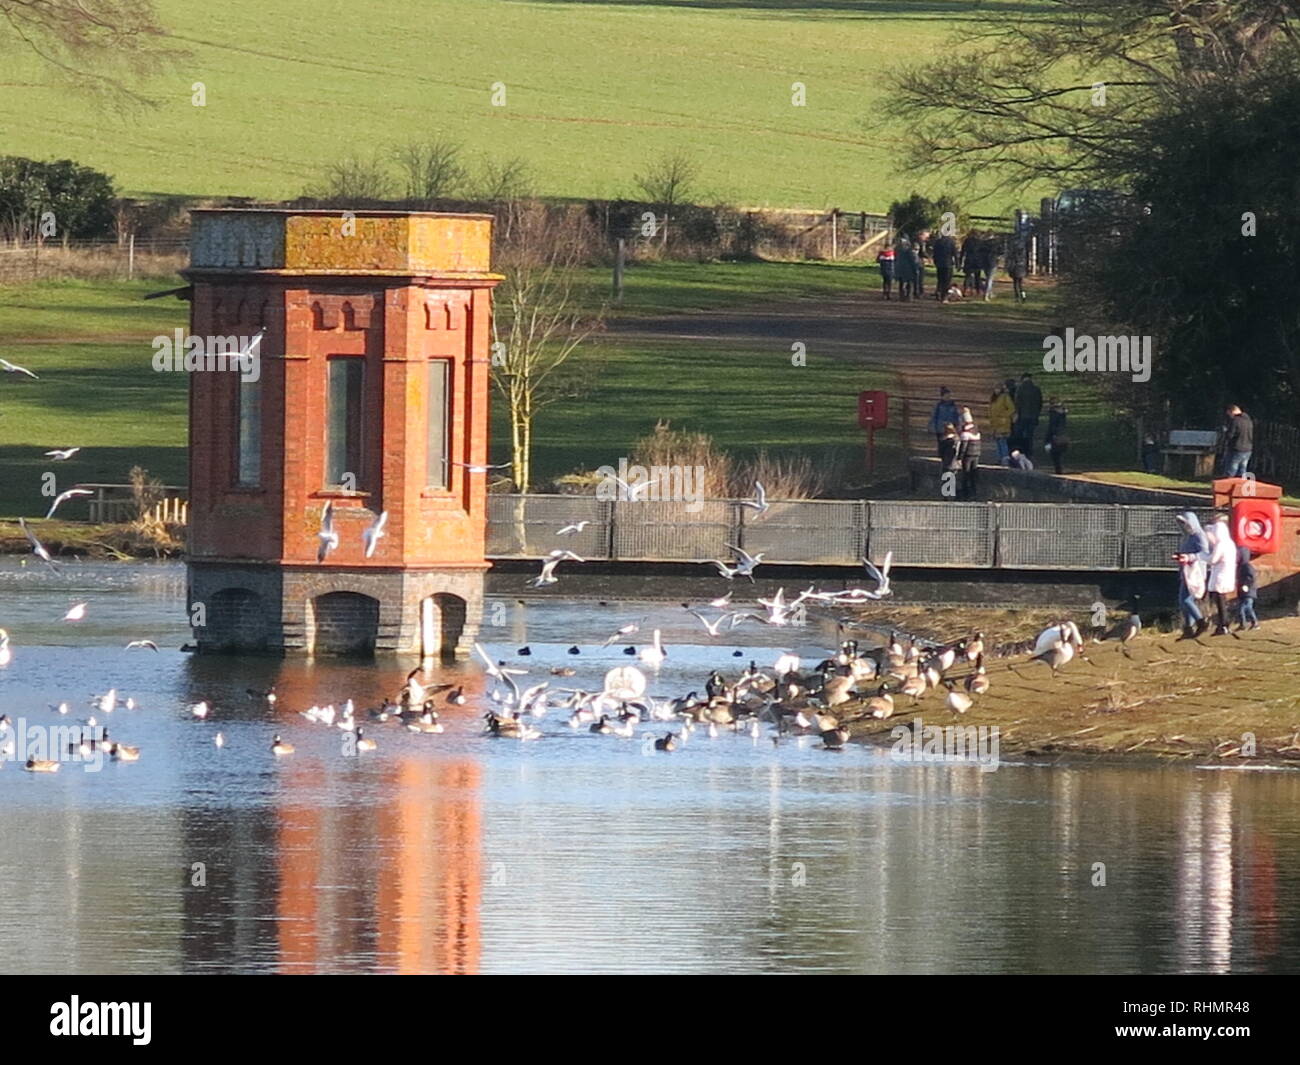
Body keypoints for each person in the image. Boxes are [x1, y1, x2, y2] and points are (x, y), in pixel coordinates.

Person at [1173, 511, 1209, 639]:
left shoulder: (1199, 536)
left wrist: (1189, 557)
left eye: (1185, 523)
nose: (1184, 526)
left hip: (1195, 573)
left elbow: (1205, 554)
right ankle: (1188, 628)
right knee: (1183, 601)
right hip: (1186, 571)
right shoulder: (1189, 537)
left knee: (1186, 600)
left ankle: (1200, 622)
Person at [1205, 516, 1238, 636]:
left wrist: (1201, 556)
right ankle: (1224, 624)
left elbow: (1213, 560)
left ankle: (1223, 625)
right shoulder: (1230, 544)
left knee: (1220, 603)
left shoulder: (1221, 545)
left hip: (1220, 577)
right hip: (1226, 575)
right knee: (1222, 601)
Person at [1013, 372, 1042, 458]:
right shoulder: (1036, 389)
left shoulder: (1020, 389)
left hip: (1022, 415)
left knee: (1020, 433)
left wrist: (1017, 413)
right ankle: (1029, 451)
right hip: (1033, 416)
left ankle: (1022, 450)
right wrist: (1037, 414)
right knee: (1030, 434)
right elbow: (1039, 403)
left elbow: (1017, 403)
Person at [1222, 405, 1253, 478]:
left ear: (1232, 411)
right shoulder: (1249, 421)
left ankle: (1227, 486)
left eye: (1229, 414)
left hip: (1236, 448)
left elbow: (1230, 435)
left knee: (1231, 469)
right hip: (1248, 449)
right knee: (1242, 470)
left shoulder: (1235, 421)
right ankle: (1241, 487)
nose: (1229, 416)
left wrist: (1225, 431)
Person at [928, 387, 960, 457]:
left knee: (950, 442)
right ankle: (942, 455)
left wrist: (956, 425)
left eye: (949, 396)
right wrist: (932, 426)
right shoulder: (939, 405)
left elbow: (956, 415)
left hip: (950, 427)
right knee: (941, 442)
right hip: (941, 428)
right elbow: (934, 416)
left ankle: (949, 455)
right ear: (942, 396)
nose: (948, 397)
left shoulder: (952, 405)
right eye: (946, 396)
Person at [1235, 540, 1259, 630]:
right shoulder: (1240, 567)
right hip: (1243, 592)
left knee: (1245, 608)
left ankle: (1250, 623)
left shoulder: (1247, 566)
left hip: (1248, 592)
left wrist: (1246, 586)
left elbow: (1251, 578)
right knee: (1246, 608)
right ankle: (1246, 624)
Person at [988, 386, 1016, 464]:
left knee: (1002, 441)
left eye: (998, 388)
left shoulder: (1005, 397)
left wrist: (1003, 415)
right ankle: (1000, 458)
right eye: (995, 388)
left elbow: (1012, 408)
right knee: (997, 442)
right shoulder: (993, 398)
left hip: (1003, 423)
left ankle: (1005, 458)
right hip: (995, 424)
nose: (996, 390)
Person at [957, 414, 982, 499]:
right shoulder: (976, 431)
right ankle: (974, 491)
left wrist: (959, 458)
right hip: (976, 454)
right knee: (973, 473)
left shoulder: (965, 433)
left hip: (968, 456)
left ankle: (965, 492)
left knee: (965, 474)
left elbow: (963, 447)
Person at [931, 230, 957, 303]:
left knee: (940, 279)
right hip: (948, 264)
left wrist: (935, 261)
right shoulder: (951, 242)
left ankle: (938, 292)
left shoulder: (938, 242)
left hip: (939, 263)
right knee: (947, 281)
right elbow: (954, 253)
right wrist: (957, 263)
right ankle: (944, 296)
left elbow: (934, 253)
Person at [1044, 397, 1069, 474]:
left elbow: (1052, 426)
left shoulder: (1053, 414)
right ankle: (1059, 468)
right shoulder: (1062, 414)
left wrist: (1048, 438)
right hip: (1062, 435)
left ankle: (1058, 469)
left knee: (1055, 454)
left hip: (1054, 436)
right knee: (1059, 453)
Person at [893, 237, 916, 302]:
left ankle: (902, 296)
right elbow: (912, 260)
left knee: (901, 283)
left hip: (899, 268)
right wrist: (915, 268)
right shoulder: (909, 250)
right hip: (908, 269)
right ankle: (909, 297)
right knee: (909, 283)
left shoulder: (897, 249)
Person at [909, 233, 926, 299]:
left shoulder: (911, 242)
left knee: (915, 278)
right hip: (919, 262)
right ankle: (919, 292)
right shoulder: (921, 243)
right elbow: (923, 253)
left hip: (912, 262)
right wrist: (929, 257)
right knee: (920, 278)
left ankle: (915, 292)